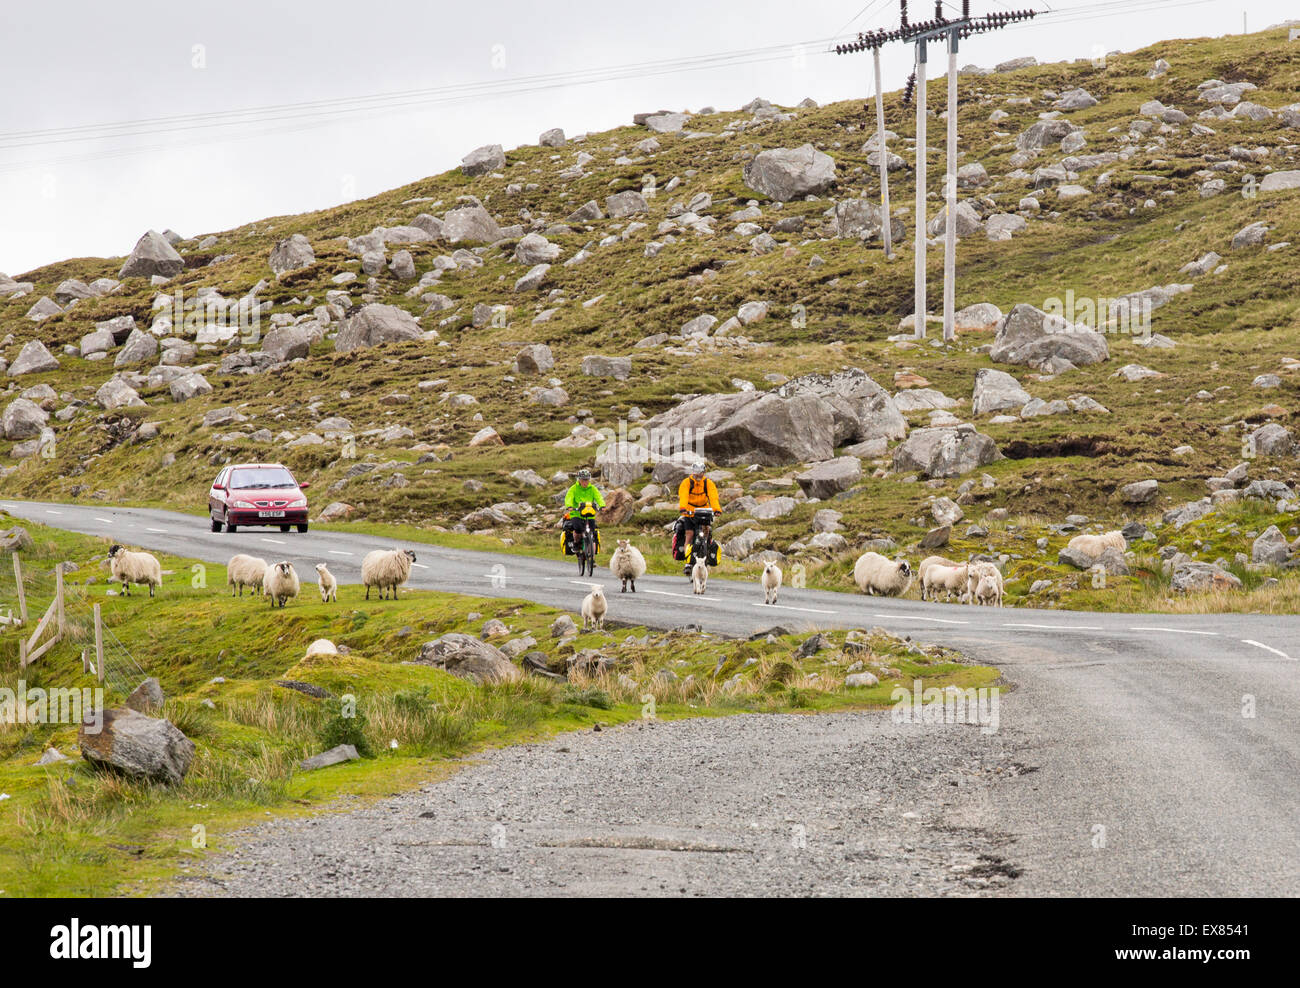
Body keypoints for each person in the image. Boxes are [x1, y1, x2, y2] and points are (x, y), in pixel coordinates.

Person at [677, 460, 721, 575]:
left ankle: (706, 552)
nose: (698, 475)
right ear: (693, 472)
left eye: (701, 472)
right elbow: (683, 496)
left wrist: (716, 509)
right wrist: (683, 508)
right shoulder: (686, 483)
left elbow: (713, 497)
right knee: (689, 535)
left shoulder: (708, 483)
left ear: (704, 472)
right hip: (689, 512)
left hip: (704, 511)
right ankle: (688, 562)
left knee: (707, 533)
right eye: (696, 472)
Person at [562, 468, 605, 555]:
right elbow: (569, 498)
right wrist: (569, 506)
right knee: (577, 528)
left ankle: (592, 558)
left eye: (587, 480)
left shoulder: (593, 488)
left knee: (592, 533)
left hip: (589, 514)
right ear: (579, 480)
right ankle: (576, 543)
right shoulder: (573, 489)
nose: (585, 482)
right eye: (583, 480)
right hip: (576, 513)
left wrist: (602, 505)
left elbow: (599, 497)